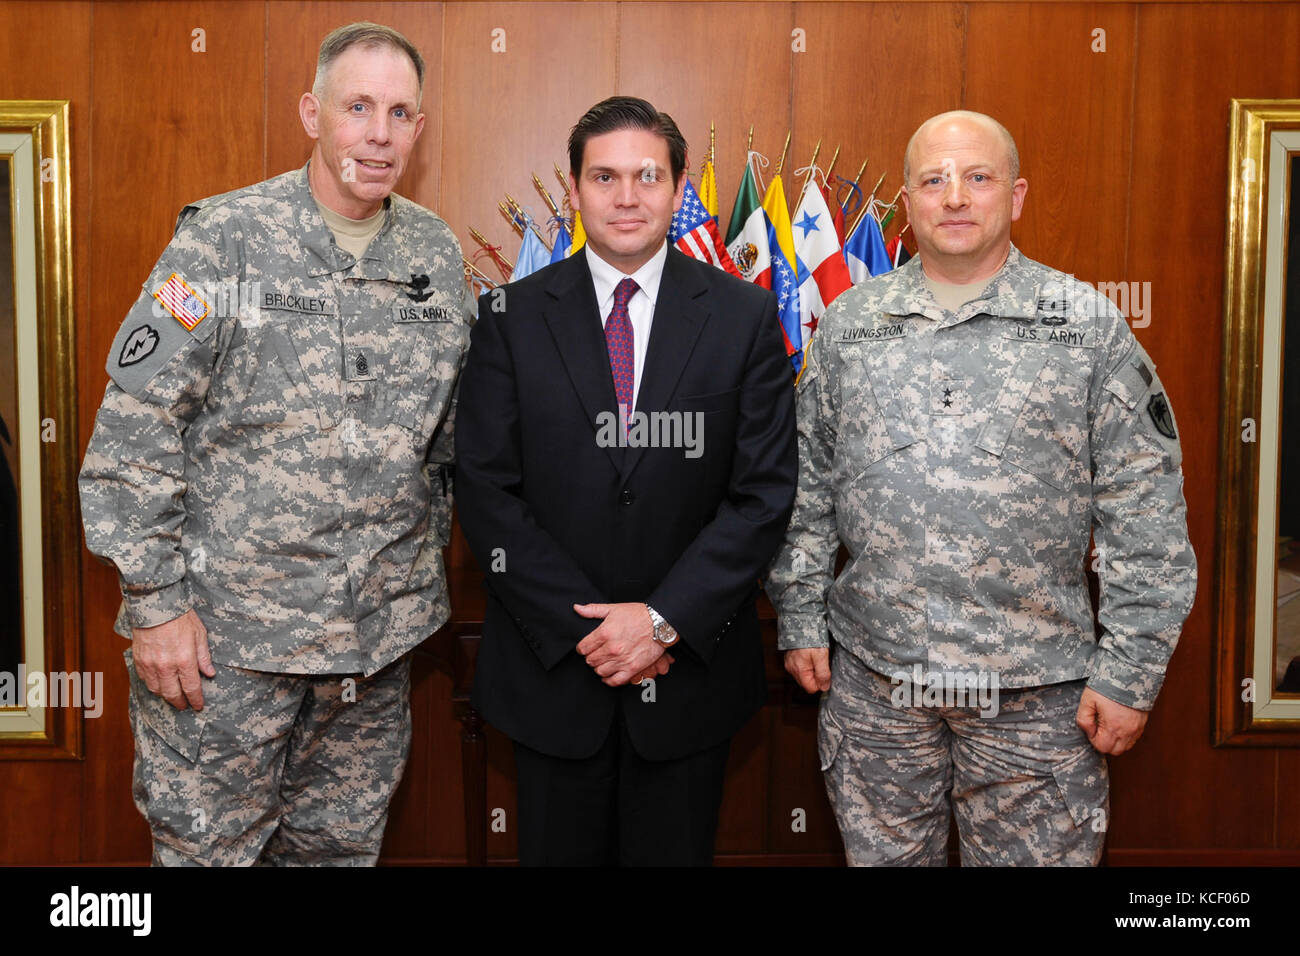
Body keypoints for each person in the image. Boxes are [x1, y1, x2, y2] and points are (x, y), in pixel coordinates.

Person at [78, 22, 471, 866]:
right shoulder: (223, 240)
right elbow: (134, 429)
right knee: (208, 855)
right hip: (224, 651)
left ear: (418, 129)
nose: (378, 132)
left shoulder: (437, 257)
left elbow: (445, 451)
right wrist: (156, 606)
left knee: (340, 853)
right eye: (357, 106)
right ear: (312, 113)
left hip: (372, 650)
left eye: (400, 113)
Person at [766, 110, 1197, 866]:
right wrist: (799, 613)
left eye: (978, 177)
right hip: (877, 686)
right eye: (934, 180)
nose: (955, 197)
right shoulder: (850, 325)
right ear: (909, 201)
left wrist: (1131, 670)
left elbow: (1145, 515)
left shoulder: (1085, 326)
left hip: (1035, 698)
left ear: (1017, 196)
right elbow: (807, 485)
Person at [454, 96, 797, 866]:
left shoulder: (744, 316)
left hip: (689, 678)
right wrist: (591, 630)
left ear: (679, 190)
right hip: (553, 676)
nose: (627, 196)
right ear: (574, 190)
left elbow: (763, 494)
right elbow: (484, 489)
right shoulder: (509, 315)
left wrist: (663, 620)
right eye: (603, 176)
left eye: (648, 176)